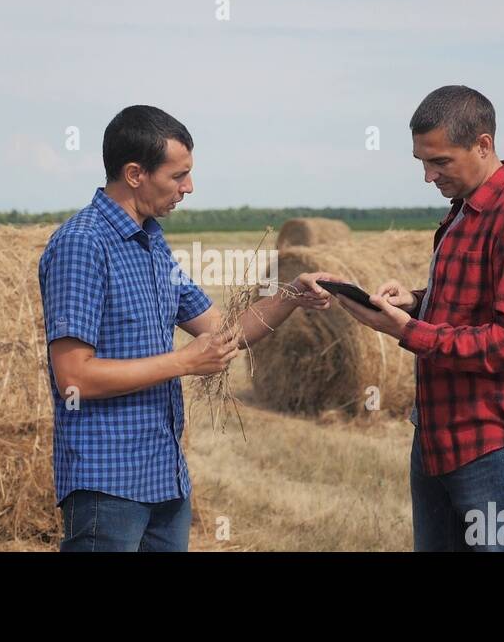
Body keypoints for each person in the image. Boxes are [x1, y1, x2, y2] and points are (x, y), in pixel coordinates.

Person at [38, 105, 334, 552]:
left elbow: (226, 331)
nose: (189, 187)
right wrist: (184, 361)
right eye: (178, 175)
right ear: (135, 173)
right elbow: (74, 378)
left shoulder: (152, 244)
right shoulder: (83, 244)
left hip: (165, 480)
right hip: (107, 483)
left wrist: (290, 294)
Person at [336, 86, 504, 551]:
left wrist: (410, 332)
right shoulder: (465, 213)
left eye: (440, 162)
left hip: (493, 440)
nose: (428, 176)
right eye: (421, 163)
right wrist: (414, 302)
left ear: (483, 145)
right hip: (437, 429)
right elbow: (473, 300)